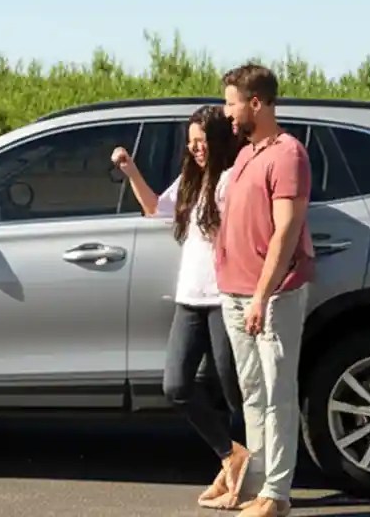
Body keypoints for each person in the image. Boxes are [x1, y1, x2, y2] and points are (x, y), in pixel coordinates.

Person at [110, 105, 251, 509]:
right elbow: (156, 209)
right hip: (189, 299)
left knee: (234, 392)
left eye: (202, 142)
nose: (196, 150)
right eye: (191, 144)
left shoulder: (231, 180)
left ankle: (245, 476)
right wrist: (131, 170)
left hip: (225, 299)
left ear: (219, 141)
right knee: (176, 385)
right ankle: (231, 456)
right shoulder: (192, 180)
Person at [215, 64, 315, 517]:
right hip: (235, 292)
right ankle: (253, 485)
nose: (226, 112)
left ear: (257, 103)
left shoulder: (288, 154)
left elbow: (286, 231)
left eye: (231, 102)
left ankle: (277, 494)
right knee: (253, 392)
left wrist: (261, 295)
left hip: (271, 294)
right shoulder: (245, 155)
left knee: (277, 394)